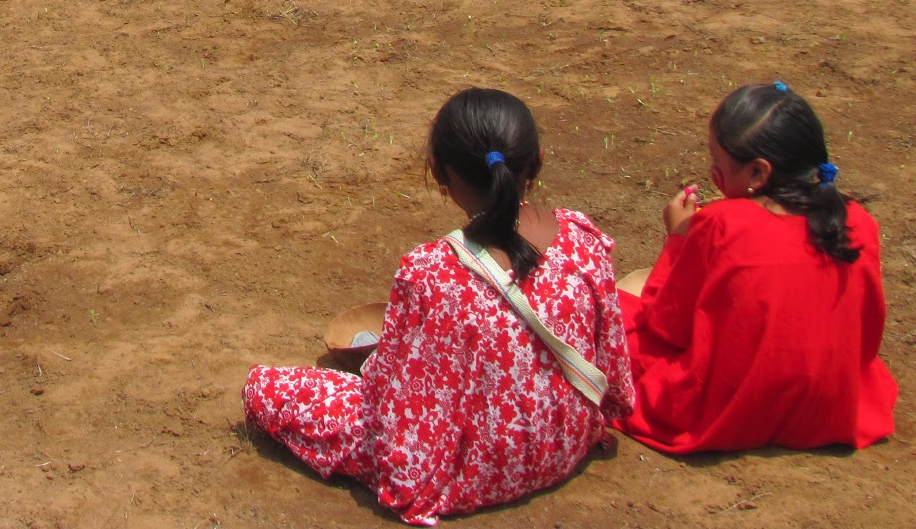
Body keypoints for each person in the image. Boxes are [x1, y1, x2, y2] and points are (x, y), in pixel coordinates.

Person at [242, 88, 633, 525]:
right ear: (537, 160)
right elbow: (612, 367)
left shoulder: (432, 273)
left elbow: (392, 407)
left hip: (479, 471)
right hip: (565, 443)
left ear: (439, 174)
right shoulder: (583, 240)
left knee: (265, 389)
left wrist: (370, 362)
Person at [611, 83, 896, 453]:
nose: (712, 171)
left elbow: (669, 326)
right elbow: (867, 335)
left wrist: (679, 238)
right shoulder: (859, 222)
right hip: (835, 405)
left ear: (759, 174)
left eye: (718, 162)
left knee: (624, 299)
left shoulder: (721, 223)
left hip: (733, 408)